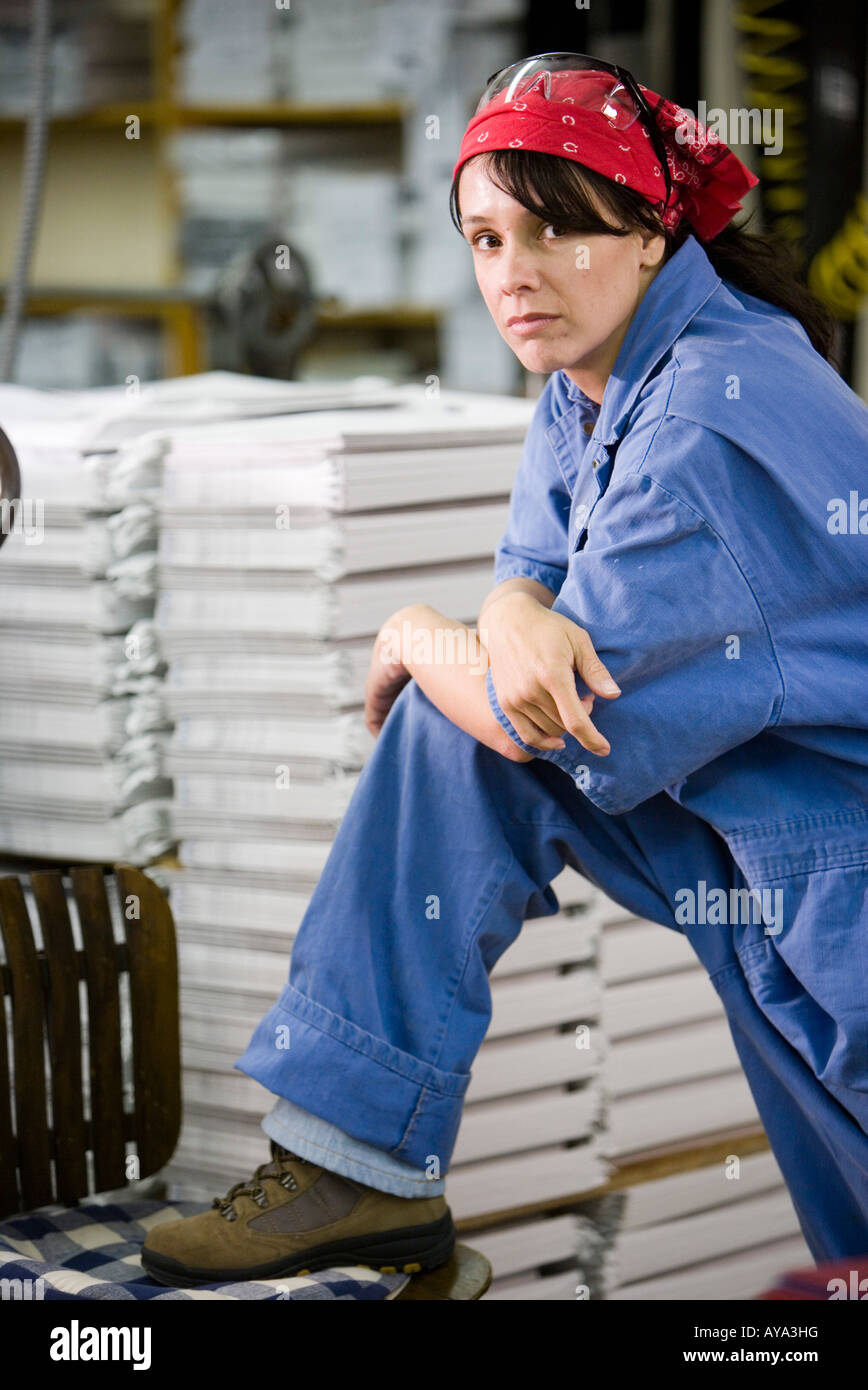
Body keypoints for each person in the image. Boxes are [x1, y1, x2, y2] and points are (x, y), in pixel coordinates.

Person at [142, 53, 868, 1289]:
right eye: (484, 238)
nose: (511, 275)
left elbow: (548, 714)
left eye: (551, 228)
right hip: (750, 835)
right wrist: (502, 604)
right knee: (450, 737)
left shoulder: (699, 423)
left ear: (646, 228)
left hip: (833, 879)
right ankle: (354, 1160)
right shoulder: (594, 374)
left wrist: (421, 630)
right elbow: (534, 573)